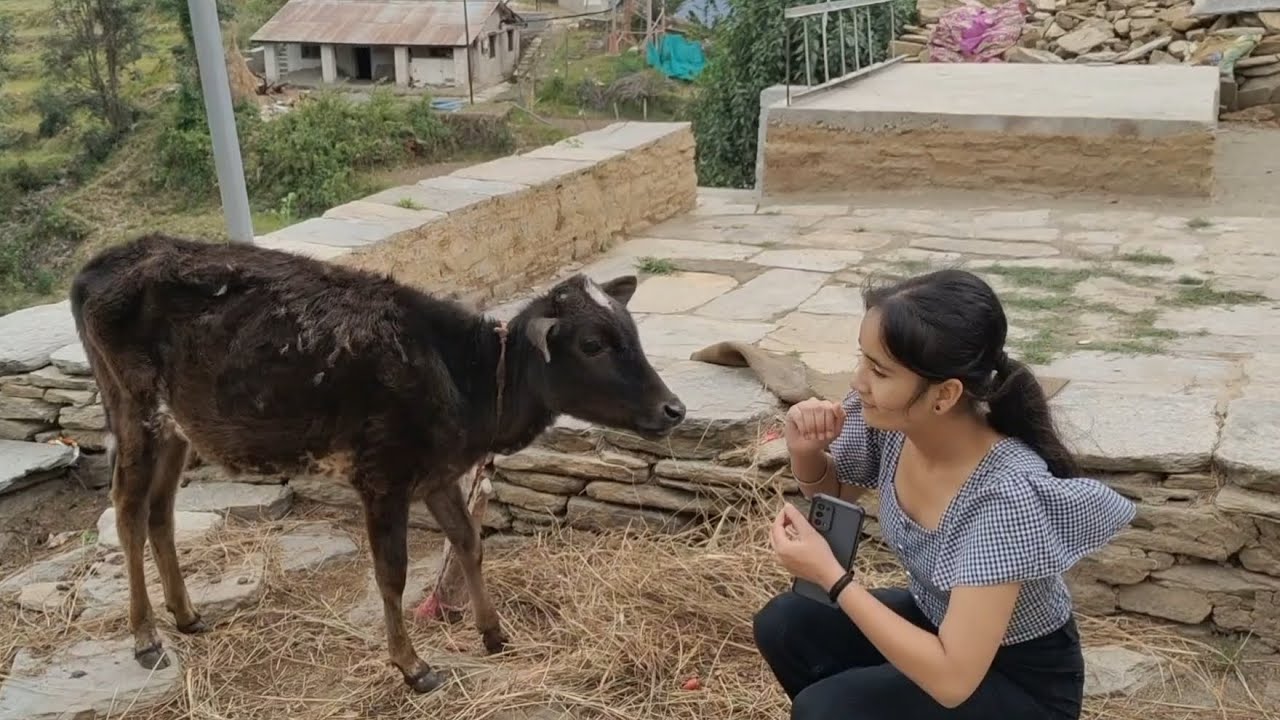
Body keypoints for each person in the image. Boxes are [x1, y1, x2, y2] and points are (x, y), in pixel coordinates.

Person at [754, 268, 1137, 720]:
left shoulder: (1003, 495)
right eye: (863, 359)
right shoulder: (899, 425)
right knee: (787, 624)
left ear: (945, 394)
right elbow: (837, 490)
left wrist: (832, 577)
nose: (858, 382)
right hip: (936, 622)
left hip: (1019, 683)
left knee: (826, 710)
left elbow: (953, 680)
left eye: (879, 370)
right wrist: (806, 452)